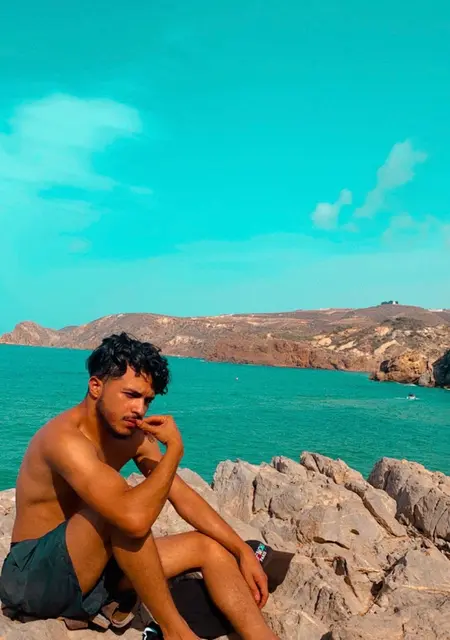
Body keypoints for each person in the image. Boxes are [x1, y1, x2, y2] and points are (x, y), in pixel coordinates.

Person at [0, 333, 279, 640]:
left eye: (147, 400)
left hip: (94, 569)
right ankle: (177, 633)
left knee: (209, 548)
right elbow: (132, 519)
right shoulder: (63, 440)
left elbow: (182, 496)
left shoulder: (131, 436)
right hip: (34, 578)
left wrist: (242, 550)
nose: (140, 409)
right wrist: (174, 451)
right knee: (121, 511)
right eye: (131, 395)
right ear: (96, 386)